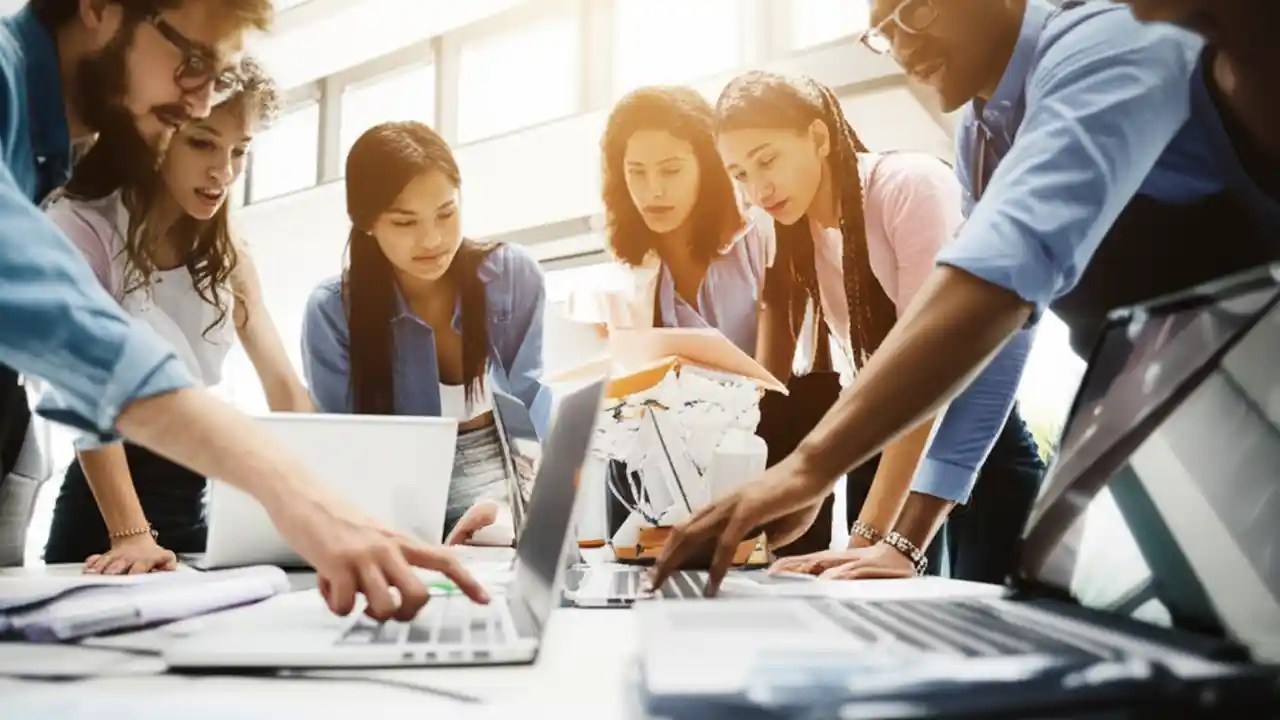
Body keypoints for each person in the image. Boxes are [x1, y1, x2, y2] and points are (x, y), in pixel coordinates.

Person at [652, 0, 1276, 595]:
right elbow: (999, 343)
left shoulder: (1104, 43)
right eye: (883, 31)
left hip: (1254, 403)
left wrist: (810, 467)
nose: (902, 45)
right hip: (1169, 423)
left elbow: (998, 273)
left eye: (915, 9)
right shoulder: (979, 137)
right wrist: (904, 542)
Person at [0, 0, 486, 617]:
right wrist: (301, 499)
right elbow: (79, 338)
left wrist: (343, 506)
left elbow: (282, 389)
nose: (202, 101)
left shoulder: (44, 148)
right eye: (193, 60)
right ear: (98, 7)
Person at [712, 70, 1044, 579]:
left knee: (984, 626)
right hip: (900, 460)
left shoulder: (910, 186)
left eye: (767, 159)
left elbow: (926, 375)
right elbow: (872, 384)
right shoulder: (806, 238)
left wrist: (867, 536)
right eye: (740, 175)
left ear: (818, 136)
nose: (758, 189)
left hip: (982, 460)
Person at [42, 57, 314, 574]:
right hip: (106, 514)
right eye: (202, 143)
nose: (224, 171)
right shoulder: (82, 228)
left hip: (188, 504)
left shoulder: (228, 253)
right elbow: (86, 398)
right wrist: (130, 535)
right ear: (157, 135)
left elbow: (286, 390)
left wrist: (334, 510)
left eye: (240, 150)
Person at [302, 121, 551, 547]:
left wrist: (531, 512)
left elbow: (531, 411)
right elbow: (346, 453)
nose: (432, 239)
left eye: (446, 213)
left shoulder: (512, 275)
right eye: (405, 222)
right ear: (366, 222)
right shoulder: (332, 312)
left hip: (508, 485)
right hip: (397, 502)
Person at [589, 85, 772, 358]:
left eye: (671, 170)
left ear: (708, 168)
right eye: (637, 173)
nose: (654, 190)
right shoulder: (626, 280)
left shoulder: (758, 239)